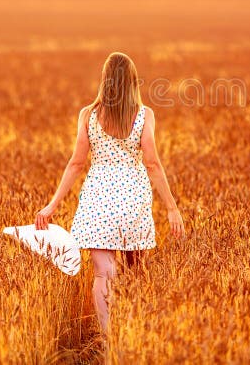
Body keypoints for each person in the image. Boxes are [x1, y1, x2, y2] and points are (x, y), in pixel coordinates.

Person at [35, 52, 185, 334]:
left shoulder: (88, 115)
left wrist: (51, 206)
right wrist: (172, 208)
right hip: (133, 199)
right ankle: (133, 333)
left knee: (104, 274)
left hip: (98, 199)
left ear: (105, 80)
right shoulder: (144, 115)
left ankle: (108, 338)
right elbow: (152, 163)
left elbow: (77, 163)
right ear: (132, 82)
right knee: (136, 272)